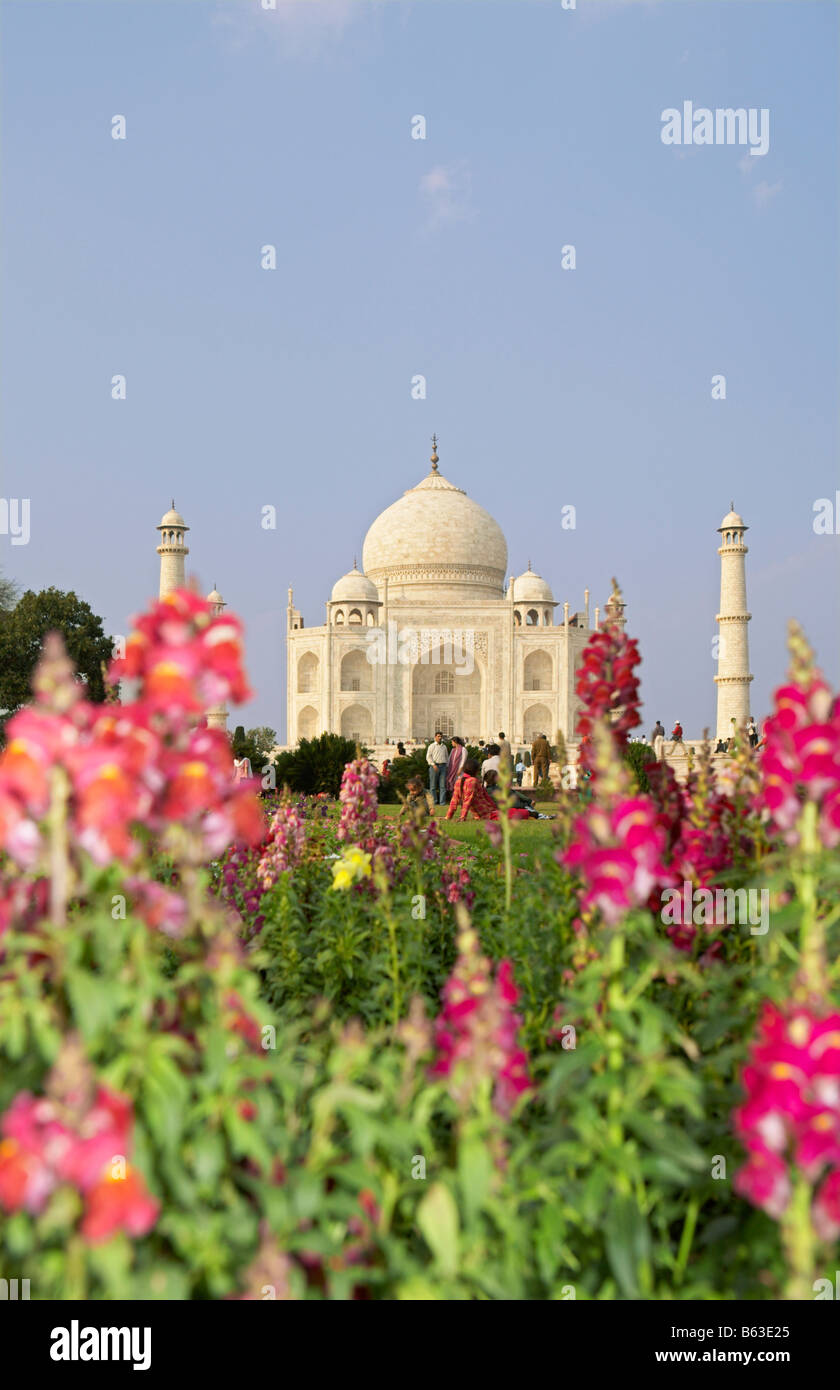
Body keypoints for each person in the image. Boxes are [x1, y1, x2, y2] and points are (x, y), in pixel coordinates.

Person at [426, 730, 449, 804]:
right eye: (438, 736)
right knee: (432, 786)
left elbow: (446, 757)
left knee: (442, 786)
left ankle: (442, 802)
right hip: (434, 766)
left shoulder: (444, 746)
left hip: (443, 766)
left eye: (441, 736)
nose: (440, 738)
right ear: (435, 737)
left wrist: (446, 766)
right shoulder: (431, 746)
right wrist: (433, 765)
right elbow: (428, 757)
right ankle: (434, 801)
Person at [445, 735, 466, 800]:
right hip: (452, 771)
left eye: (452, 742)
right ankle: (454, 799)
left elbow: (464, 760)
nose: (451, 743)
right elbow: (449, 760)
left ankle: (460, 799)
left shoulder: (463, 749)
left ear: (455, 742)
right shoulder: (453, 750)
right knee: (453, 784)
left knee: (459, 785)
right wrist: (447, 768)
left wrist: (460, 769)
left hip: (459, 770)